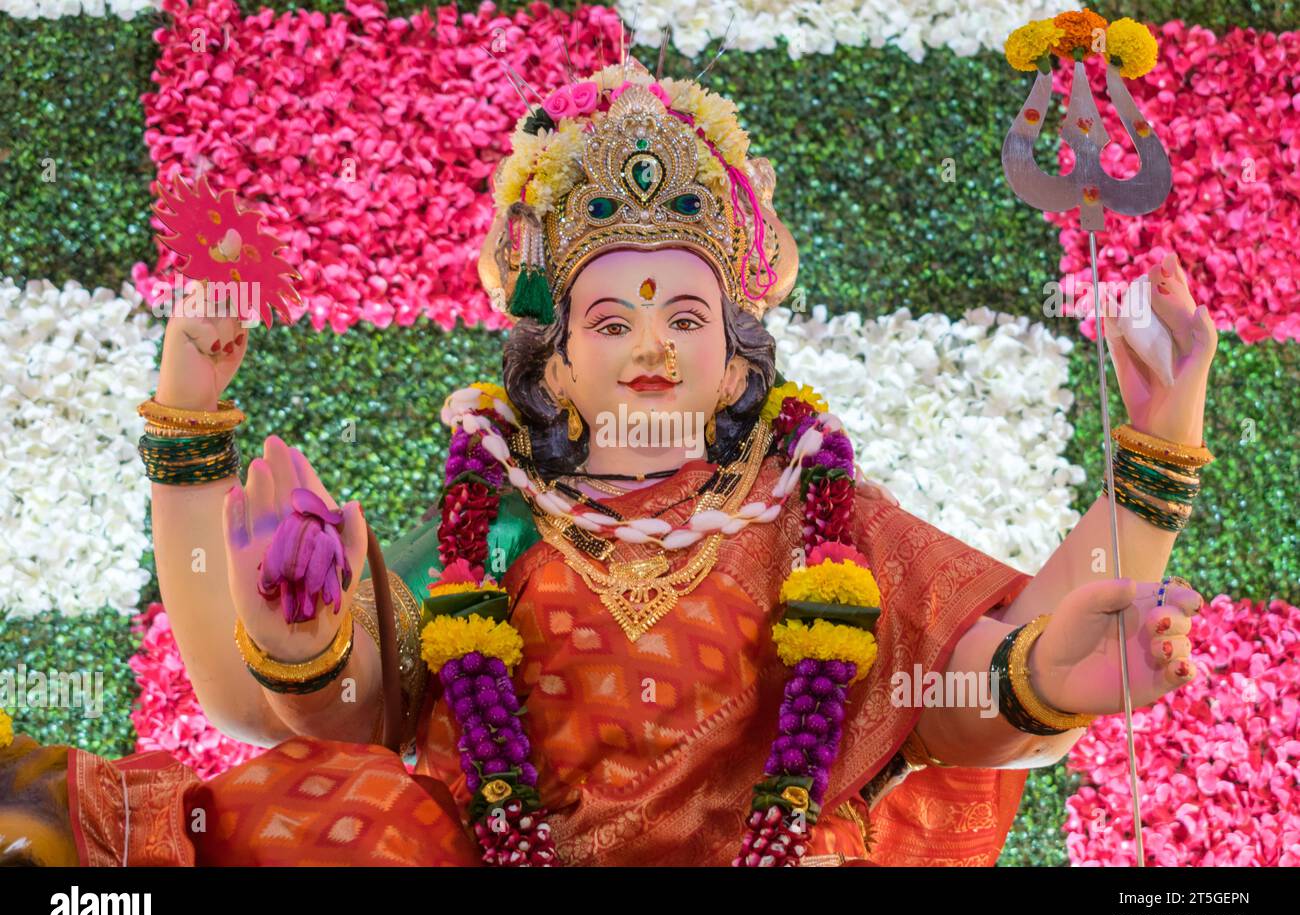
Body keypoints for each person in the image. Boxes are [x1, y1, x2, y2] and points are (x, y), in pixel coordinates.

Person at [0, 58, 1218, 867]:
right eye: (611, 321)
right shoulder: (496, 523)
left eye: (685, 319)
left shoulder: (818, 523)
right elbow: (287, 707)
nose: (648, 342)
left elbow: (956, 702)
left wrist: (1051, 671)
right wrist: (284, 606)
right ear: (559, 364)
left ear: (739, 366)